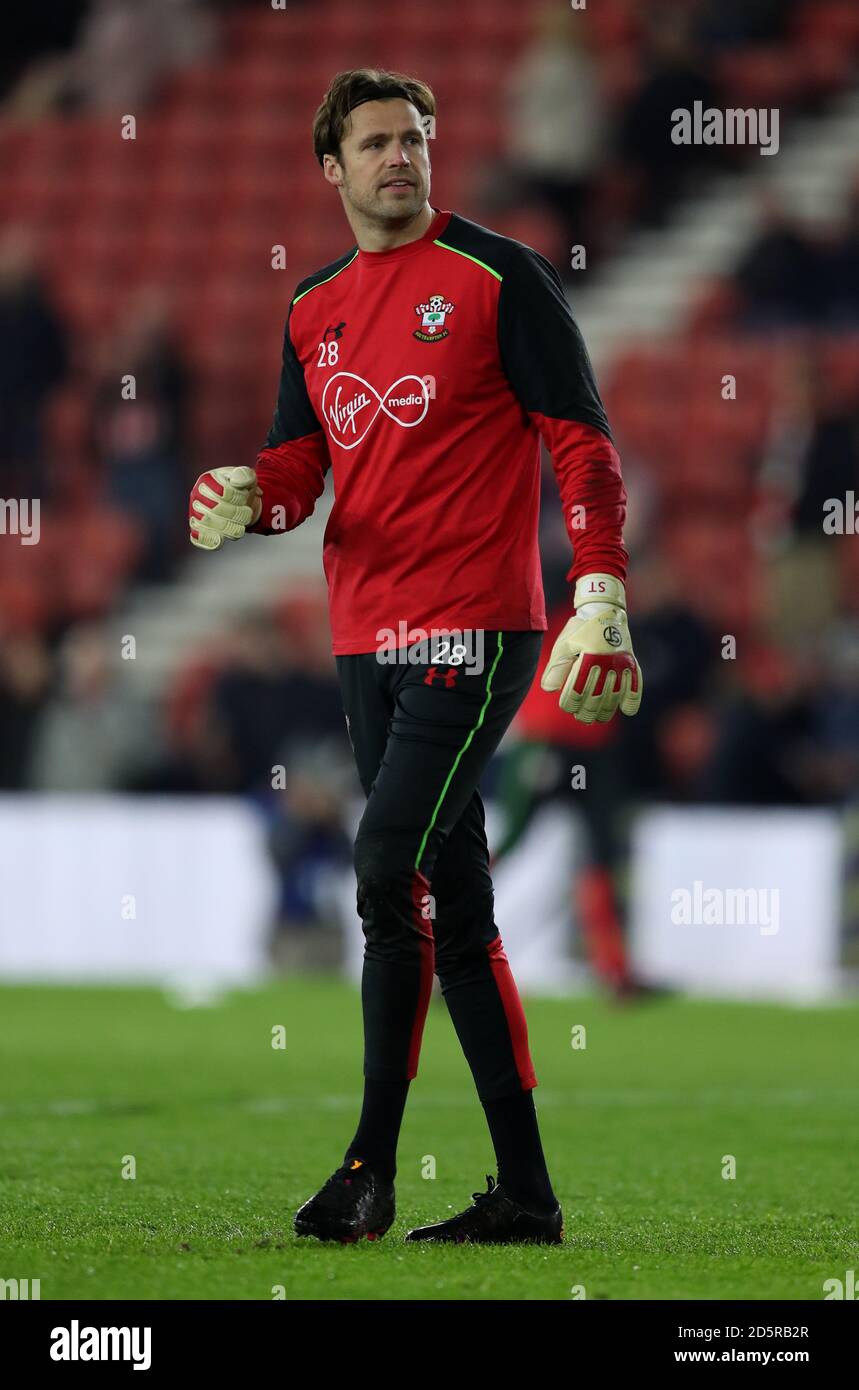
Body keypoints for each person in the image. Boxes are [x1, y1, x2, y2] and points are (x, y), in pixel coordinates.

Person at [187, 69, 643, 1245]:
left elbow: (580, 443)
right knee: (456, 904)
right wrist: (249, 492)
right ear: (330, 169)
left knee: (386, 861)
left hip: (476, 627)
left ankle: (365, 1169)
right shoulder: (313, 307)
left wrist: (599, 587)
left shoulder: (498, 276)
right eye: (377, 141)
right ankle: (527, 1196)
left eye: (415, 138)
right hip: (361, 636)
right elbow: (300, 471)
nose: (401, 155)